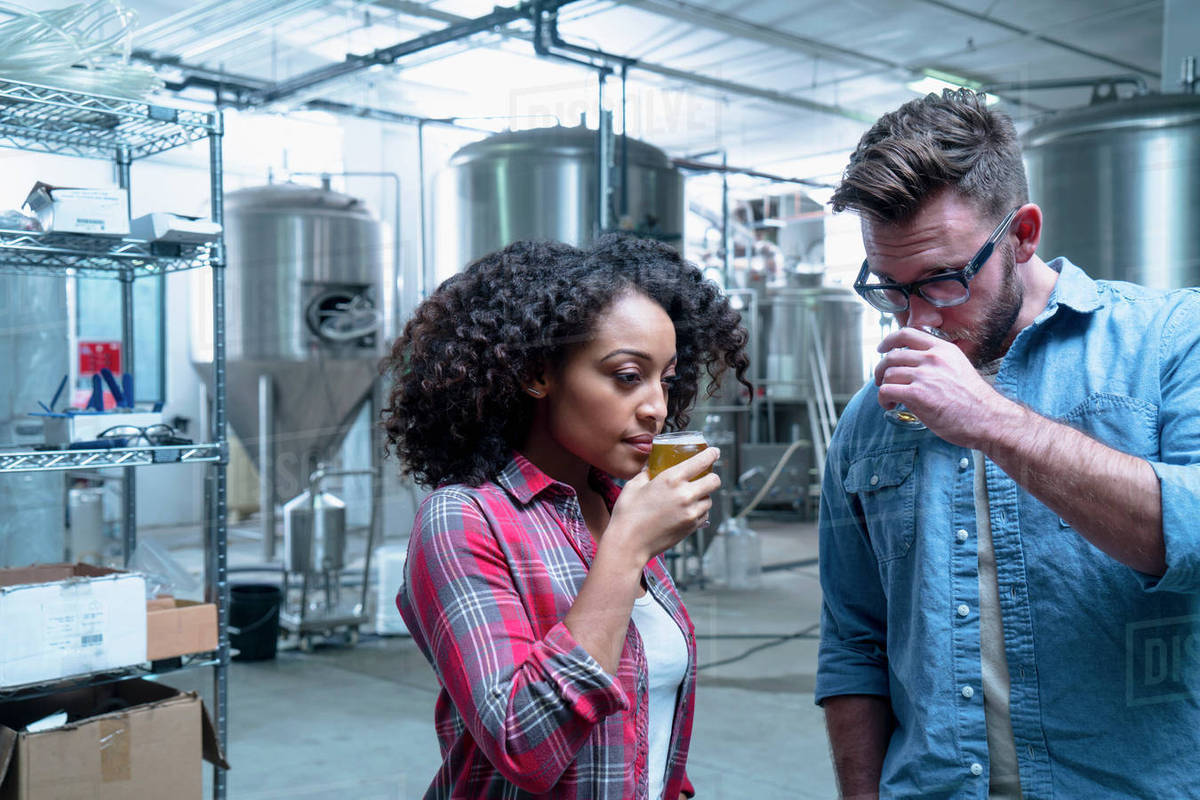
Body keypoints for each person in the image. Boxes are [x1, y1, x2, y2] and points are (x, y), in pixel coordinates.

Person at [816, 88, 1200, 799]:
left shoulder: (1170, 340)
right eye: (890, 289)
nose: (917, 319)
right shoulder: (871, 416)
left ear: (1022, 235)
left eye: (942, 281)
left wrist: (992, 420)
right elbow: (853, 641)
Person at [382, 235, 750, 799]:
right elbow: (522, 744)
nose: (657, 407)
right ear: (537, 374)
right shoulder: (463, 520)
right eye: (627, 376)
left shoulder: (615, 502)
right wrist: (626, 549)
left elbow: (644, 716)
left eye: (667, 379)